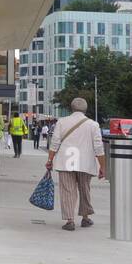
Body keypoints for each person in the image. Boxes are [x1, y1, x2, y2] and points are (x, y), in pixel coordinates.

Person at [46, 97, 106, 232]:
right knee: (85, 189)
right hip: (85, 162)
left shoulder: (62, 122)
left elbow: (54, 144)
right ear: (85, 109)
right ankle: (85, 217)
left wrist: (50, 160)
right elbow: (98, 147)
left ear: (71, 108)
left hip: (66, 161)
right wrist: (102, 166)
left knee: (67, 190)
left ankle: (70, 220)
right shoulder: (93, 125)